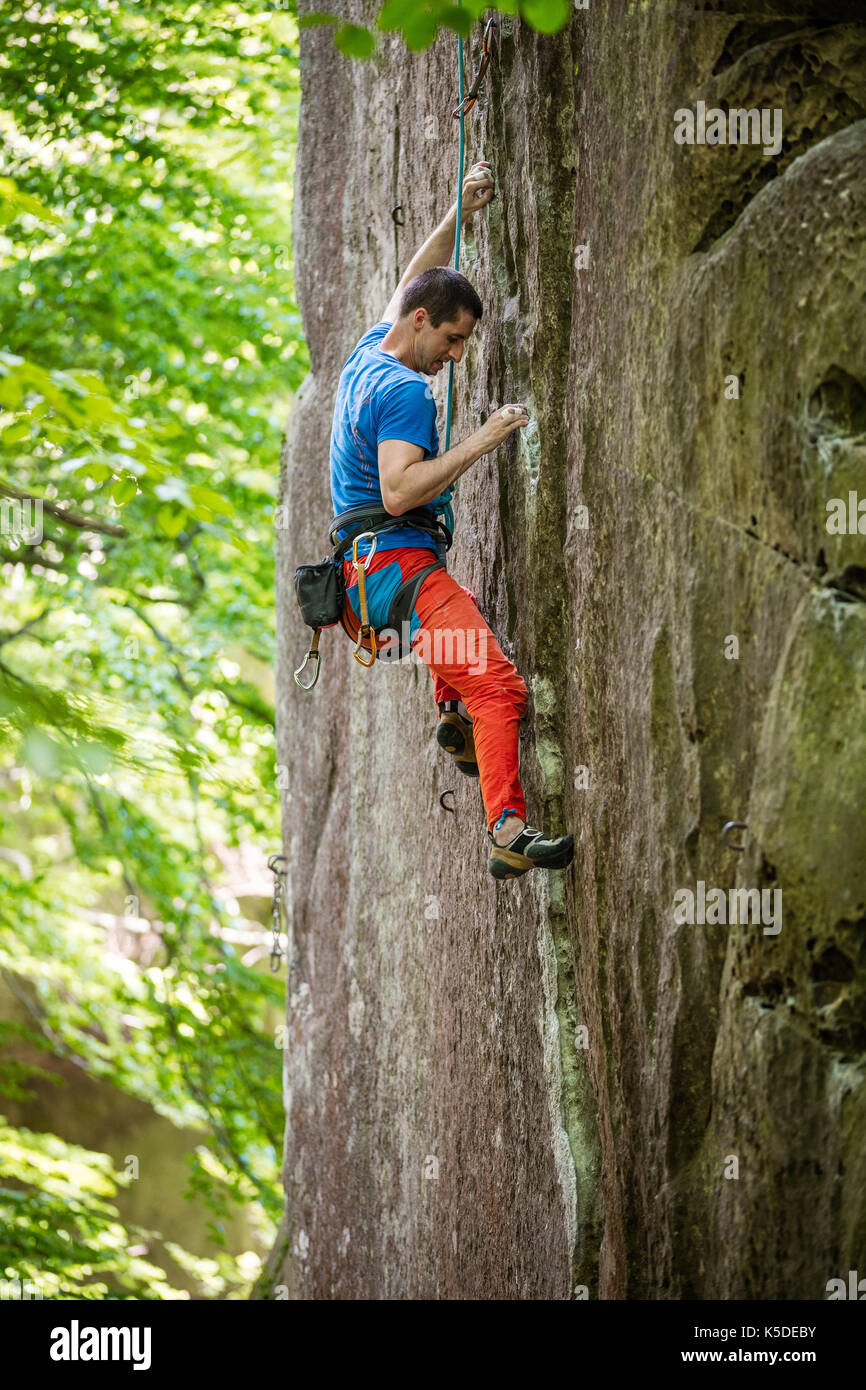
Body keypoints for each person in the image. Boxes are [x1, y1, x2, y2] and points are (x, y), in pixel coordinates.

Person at [329, 161, 573, 881]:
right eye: (454, 340)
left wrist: (460, 215)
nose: (457, 356)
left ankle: (453, 715)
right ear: (422, 324)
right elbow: (400, 491)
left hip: (364, 593)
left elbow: (415, 273)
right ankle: (506, 826)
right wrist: (484, 439)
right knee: (500, 686)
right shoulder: (406, 393)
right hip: (401, 571)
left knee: (464, 659)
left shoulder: (368, 356)